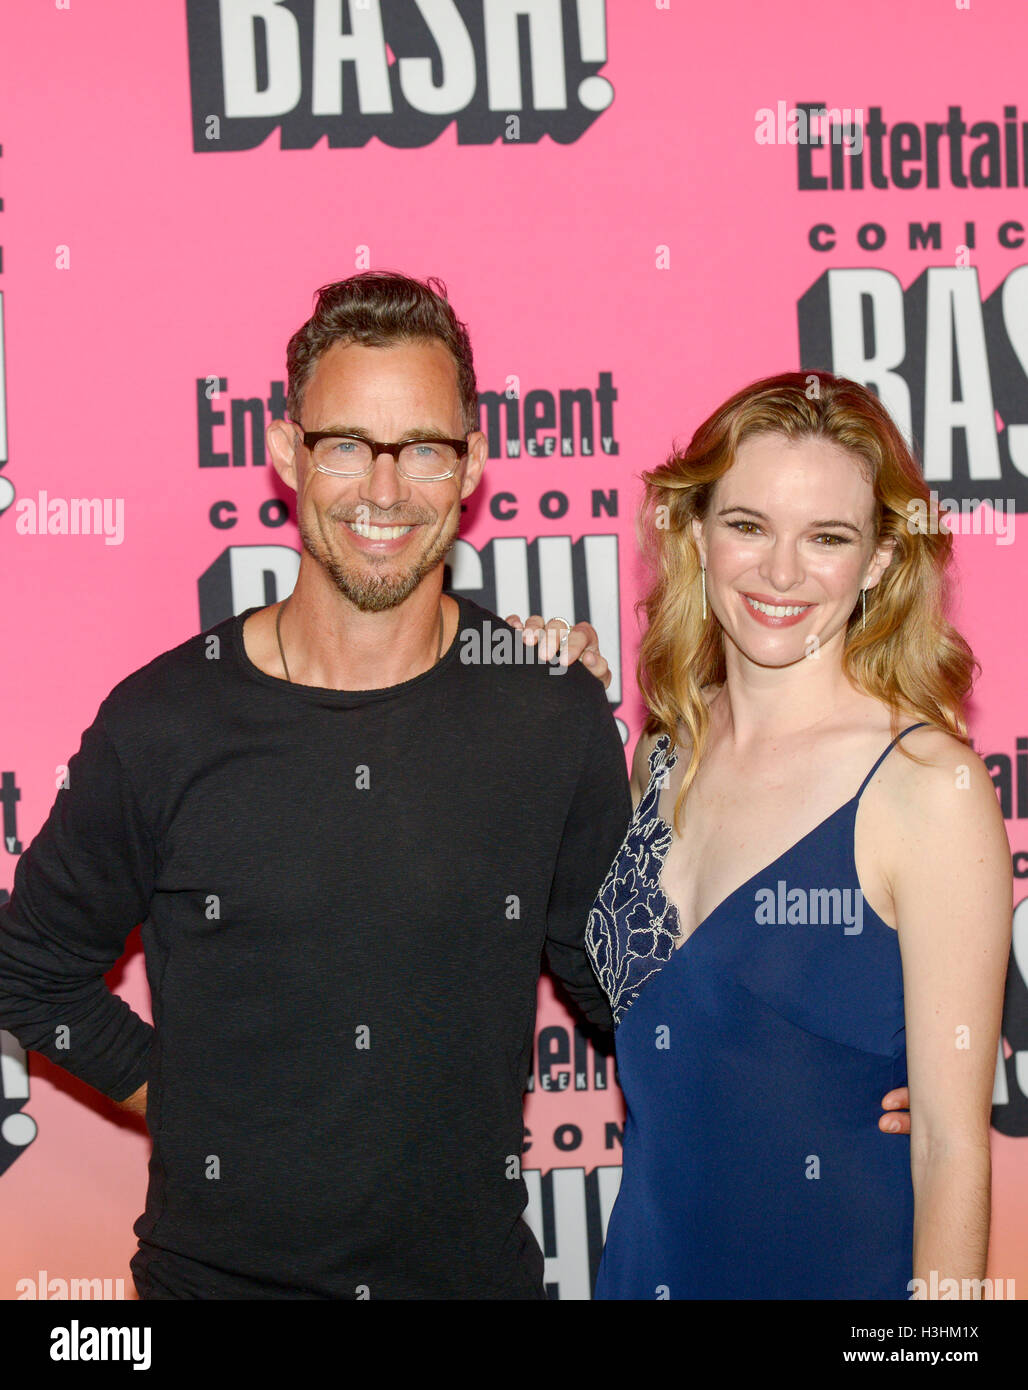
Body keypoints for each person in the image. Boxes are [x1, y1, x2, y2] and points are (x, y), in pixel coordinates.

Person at [0, 272, 629, 1300]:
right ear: (286, 452)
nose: (384, 492)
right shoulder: (165, 721)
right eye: (346, 445)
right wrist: (192, 1100)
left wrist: (864, 1069)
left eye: (422, 448)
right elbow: (26, 969)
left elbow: (638, 1000)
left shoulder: (545, 717)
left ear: (471, 462)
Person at [586, 370, 1011, 1300]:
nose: (782, 573)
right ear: (695, 533)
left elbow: (947, 1147)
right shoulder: (665, 752)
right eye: (748, 525)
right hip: (650, 1269)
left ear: (880, 561)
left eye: (827, 538)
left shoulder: (926, 787)